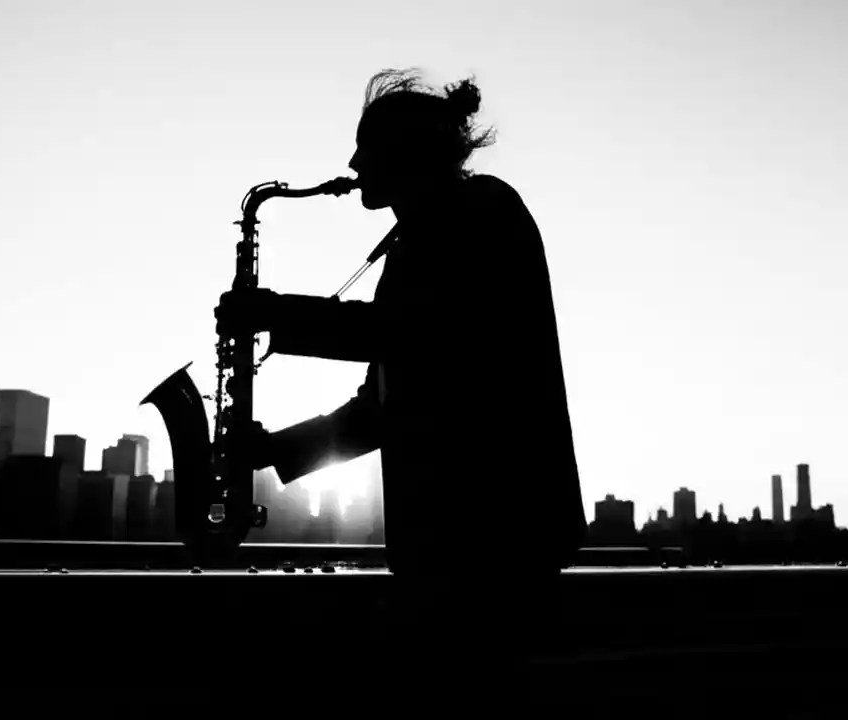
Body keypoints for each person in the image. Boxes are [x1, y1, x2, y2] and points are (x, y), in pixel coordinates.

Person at [215, 69, 585, 707]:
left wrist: (274, 313)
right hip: (460, 551)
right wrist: (273, 450)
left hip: (488, 550)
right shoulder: (429, 234)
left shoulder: (482, 212)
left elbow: (405, 332)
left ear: (406, 151)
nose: (353, 162)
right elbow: (380, 409)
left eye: (366, 147)